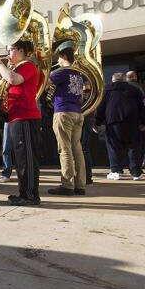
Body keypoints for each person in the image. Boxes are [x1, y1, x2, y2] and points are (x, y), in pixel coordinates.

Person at [0, 40, 43, 206]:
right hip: (16, 118)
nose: (8, 53)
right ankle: (24, 194)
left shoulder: (28, 65)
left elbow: (13, 79)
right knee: (21, 159)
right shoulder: (17, 68)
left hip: (26, 117)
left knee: (27, 159)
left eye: (10, 49)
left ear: (21, 50)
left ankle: (31, 196)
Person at [47, 45, 86, 196]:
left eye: (58, 57)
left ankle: (67, 184)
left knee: (64, 149)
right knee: (77, 149)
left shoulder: (62, 72)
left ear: (63, 56)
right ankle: (80, 185)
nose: (57, 60)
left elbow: (45, 82)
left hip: (63, 112)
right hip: (77, 112)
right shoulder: (78, 74)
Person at [96, 72, 145, 181]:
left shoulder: (106, 90)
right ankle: (136, 172)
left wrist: (97, 121)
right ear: (125, 79)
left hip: (113, 121)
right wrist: (144, 122)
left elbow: (101, 107)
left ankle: (116, 171)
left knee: (113, 147)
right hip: (132, 121)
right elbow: (142, 107)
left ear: (113, 80)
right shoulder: (135, 90)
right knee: (133, 147)